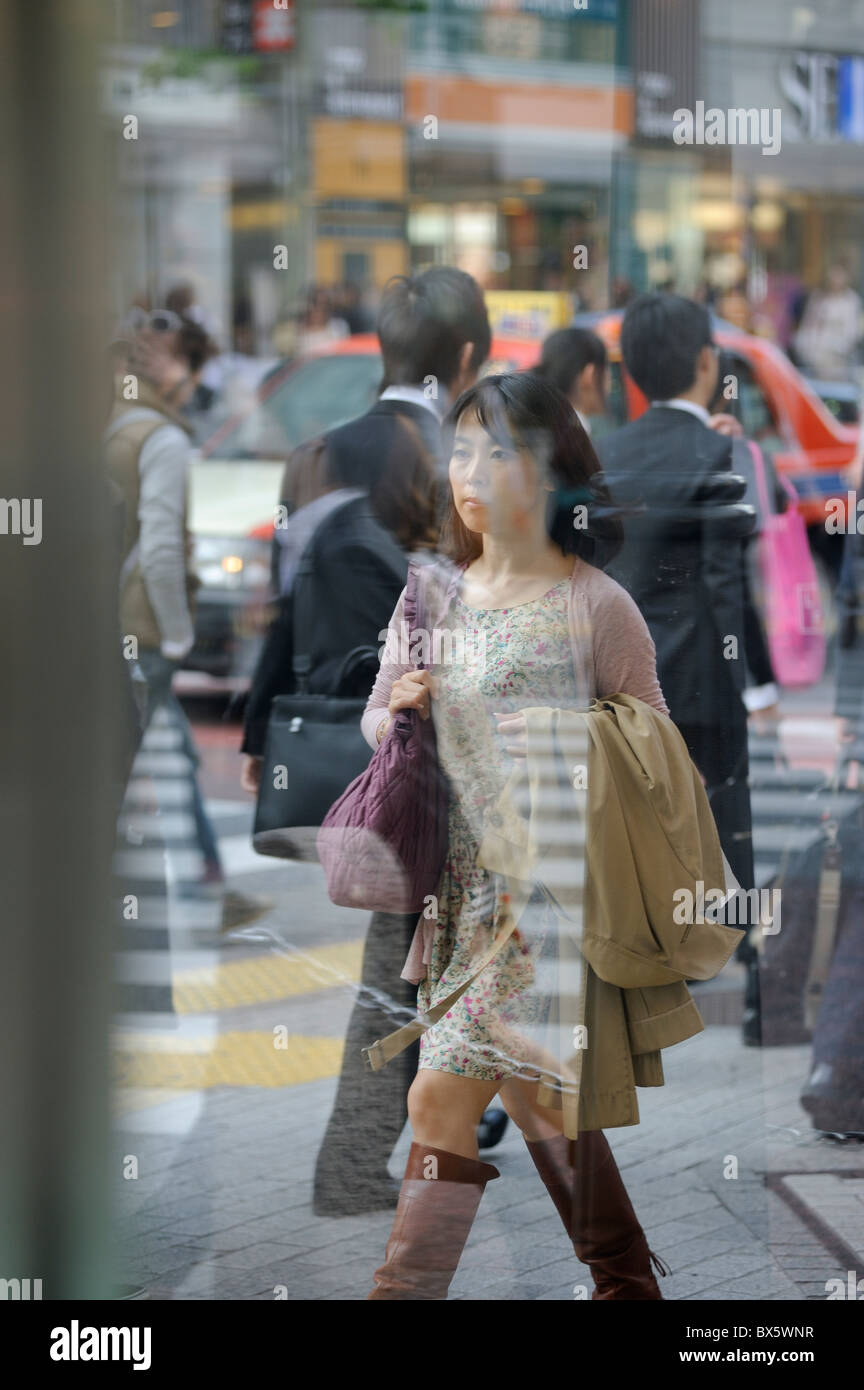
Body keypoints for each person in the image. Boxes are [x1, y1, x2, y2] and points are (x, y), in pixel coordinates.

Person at [362, 373, 683, 1300]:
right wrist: (399, 715)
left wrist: (567, 733)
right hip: (459, 895)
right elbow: (376, 719)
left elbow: (658, 741)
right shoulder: (433, 597)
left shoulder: (595, 603)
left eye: (498, 451)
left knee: (437, 1094)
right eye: (460, 450)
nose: (471, 470)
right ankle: (627, 1285)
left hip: (549, 901)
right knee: (543, 1103)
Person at [241, 267, 494, 1216]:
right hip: (432, 744)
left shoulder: (313, 453)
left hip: (340, 735)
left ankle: (433, 1131)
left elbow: (284, 602)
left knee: (428, 950)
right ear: (466, 356)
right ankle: (366, 1159)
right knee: (423, 953)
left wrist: (263, 722)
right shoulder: (455, 460)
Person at [594, 294, 761, 1036]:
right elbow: (727, 586)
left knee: (630, 828)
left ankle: (632, 978)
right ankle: (754, 991)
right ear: (706, 363)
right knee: (727, 826)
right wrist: (757, 687)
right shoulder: (715, 454)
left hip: (621, 689)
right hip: (701, 685)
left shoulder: (606, 455)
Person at [105, 312, 269, 933]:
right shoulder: (161, 439)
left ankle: (208, 884)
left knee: (167, 751)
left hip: (110, 623)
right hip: (142, 628)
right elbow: (161, 549)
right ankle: (203, 885)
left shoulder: (113, 426)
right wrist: (176, 633)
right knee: (165, 755)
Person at [531, 326, 609, 435]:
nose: (608, 388)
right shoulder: (577, 435)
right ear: (590, 375)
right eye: (607, 376)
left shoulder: (536, 426)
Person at [793, 264, 863, 382]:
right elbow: (808, 326)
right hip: (812, 358)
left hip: (839, 359)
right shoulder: (818, 298)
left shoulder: (851, 301)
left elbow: (851, 334)